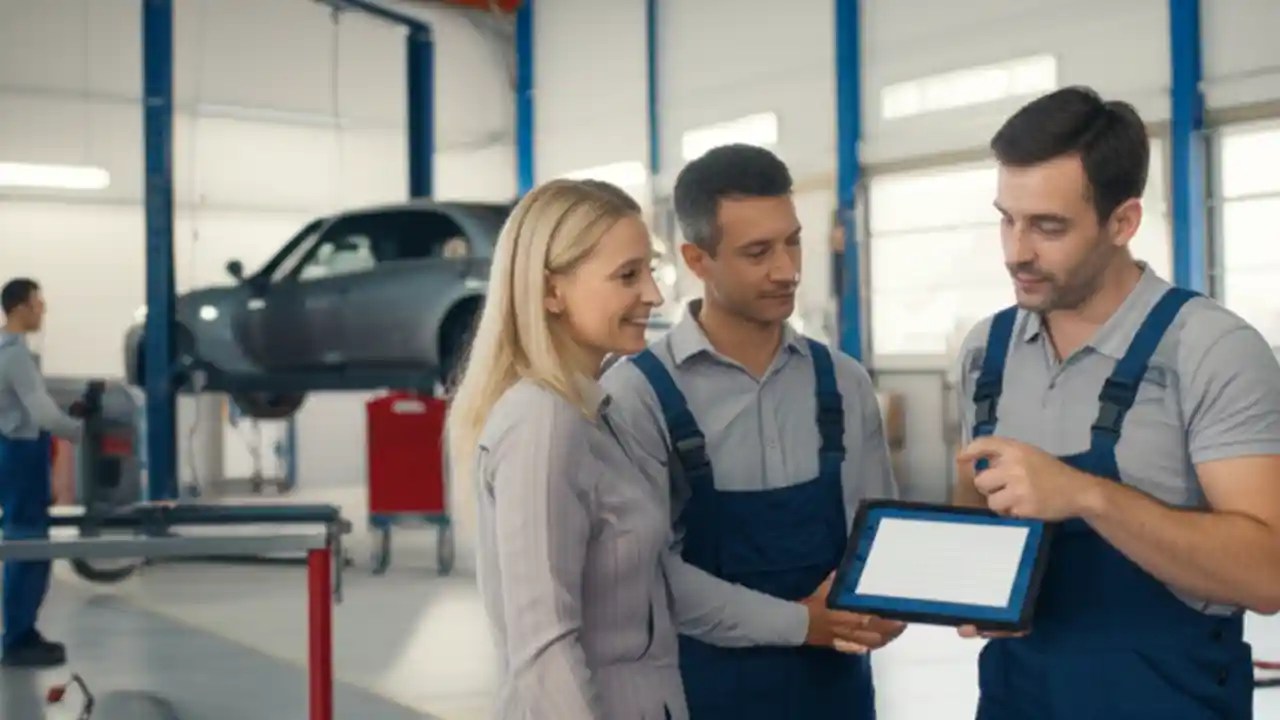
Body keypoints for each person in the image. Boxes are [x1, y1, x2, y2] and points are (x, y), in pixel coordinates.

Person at [951, 85, 1280, 719]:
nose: (1016, 251)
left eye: (1048, 227)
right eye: (1006, 218)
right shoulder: (985, 351)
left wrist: (1087, 495)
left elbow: (1268, 576)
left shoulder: (1212, 349)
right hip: (1015, 698)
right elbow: (979, 509)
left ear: (1122, 222)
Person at [602, 144, 905, 719]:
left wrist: (884, 602)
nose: (787, 269)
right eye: (758, 252)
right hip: (704, 697)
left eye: (792, 241)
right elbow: (650, 583)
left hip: (836, 696)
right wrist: (803, 624)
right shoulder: (635, 396)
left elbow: (878, 535)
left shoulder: (843, 382)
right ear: (698, 259)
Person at [445, 179, 687, 719]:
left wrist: (794, 622)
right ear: (551, 291)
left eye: (649, 271)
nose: (653, 293)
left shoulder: (597, 412)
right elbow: (545, 649)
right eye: (628, 275)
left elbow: (663, 584)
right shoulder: (542, 422)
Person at [0, 278, 84, 668]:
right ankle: (17, 638)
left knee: (28, 539)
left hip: (16, 449)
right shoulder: (13, 354)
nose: (43, 309)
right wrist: (78, 430)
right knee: (28, 542)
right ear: (19, 307)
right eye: (38, 302)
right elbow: (43, 412)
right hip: (19, 451)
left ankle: (23, 629)